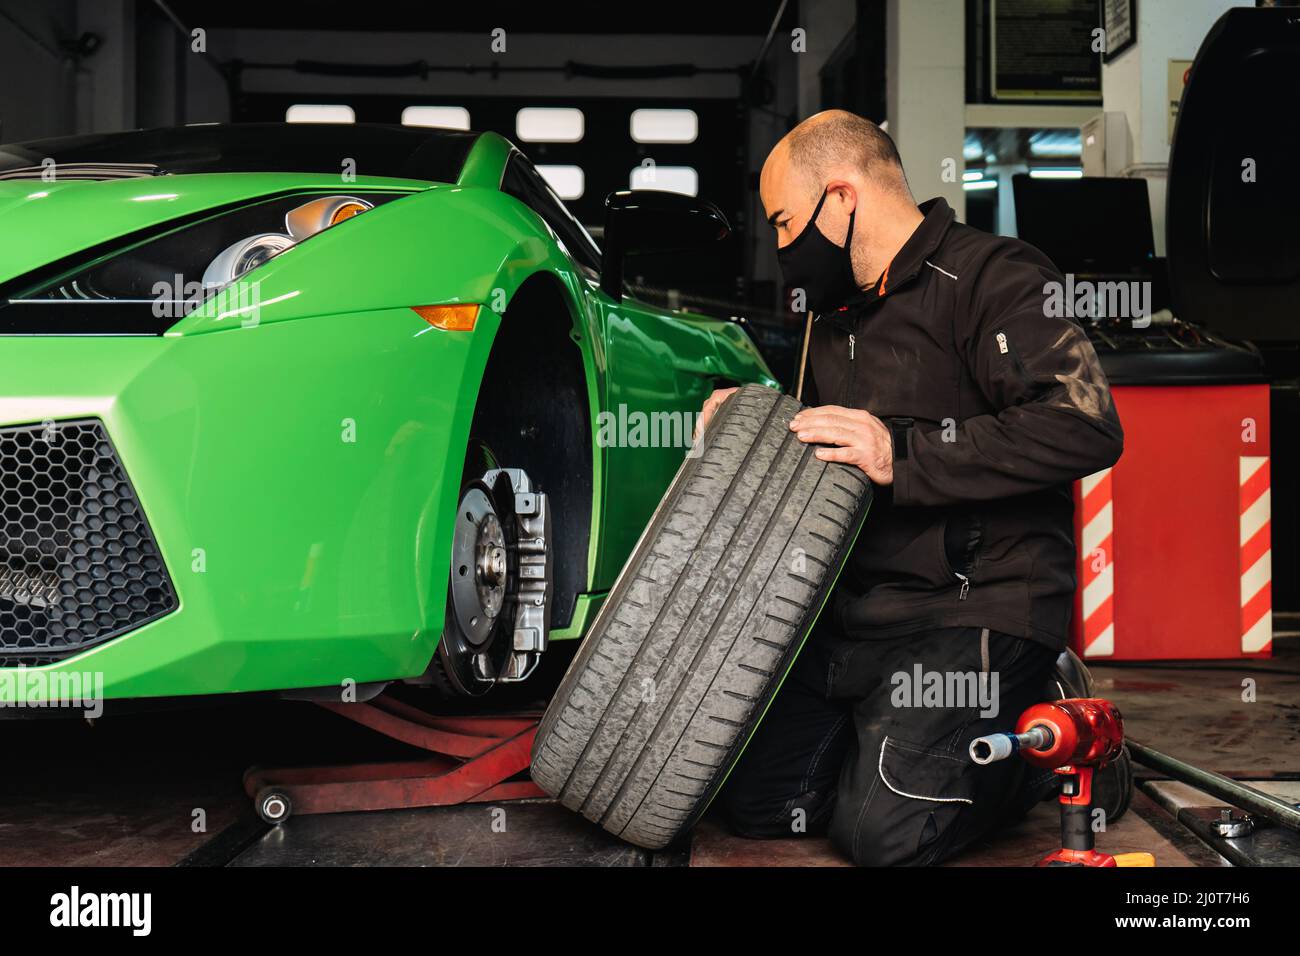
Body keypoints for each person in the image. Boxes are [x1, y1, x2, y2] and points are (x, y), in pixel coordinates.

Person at [697, 110, 1127, 866]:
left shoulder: (999, 277)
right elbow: (826, 447)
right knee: (761, 805)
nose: (783, 247)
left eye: (785, 222)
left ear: (842, 196)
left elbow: (1083, 424)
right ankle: (912, 747)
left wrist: (902, 453)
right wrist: (752, 415)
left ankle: (1051, 738)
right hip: (859, 618)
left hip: (975, 608)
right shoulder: (831, 321)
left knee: (880, 839)